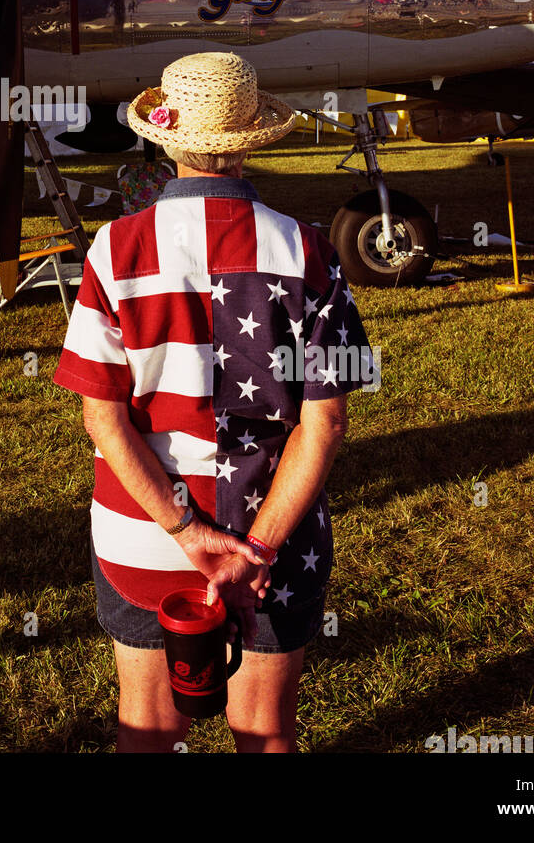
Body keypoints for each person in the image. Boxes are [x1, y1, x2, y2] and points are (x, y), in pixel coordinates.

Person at [54, 51, 371, 753]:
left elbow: (99, 413)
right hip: (273, 543)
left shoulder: (112, 249)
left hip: (143, 531)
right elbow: (328, 420)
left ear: (164, 138)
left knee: (149, 727)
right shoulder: (310, 253)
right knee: (263, 729)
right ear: (252, 137)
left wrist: (184, 532)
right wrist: (253, 548)